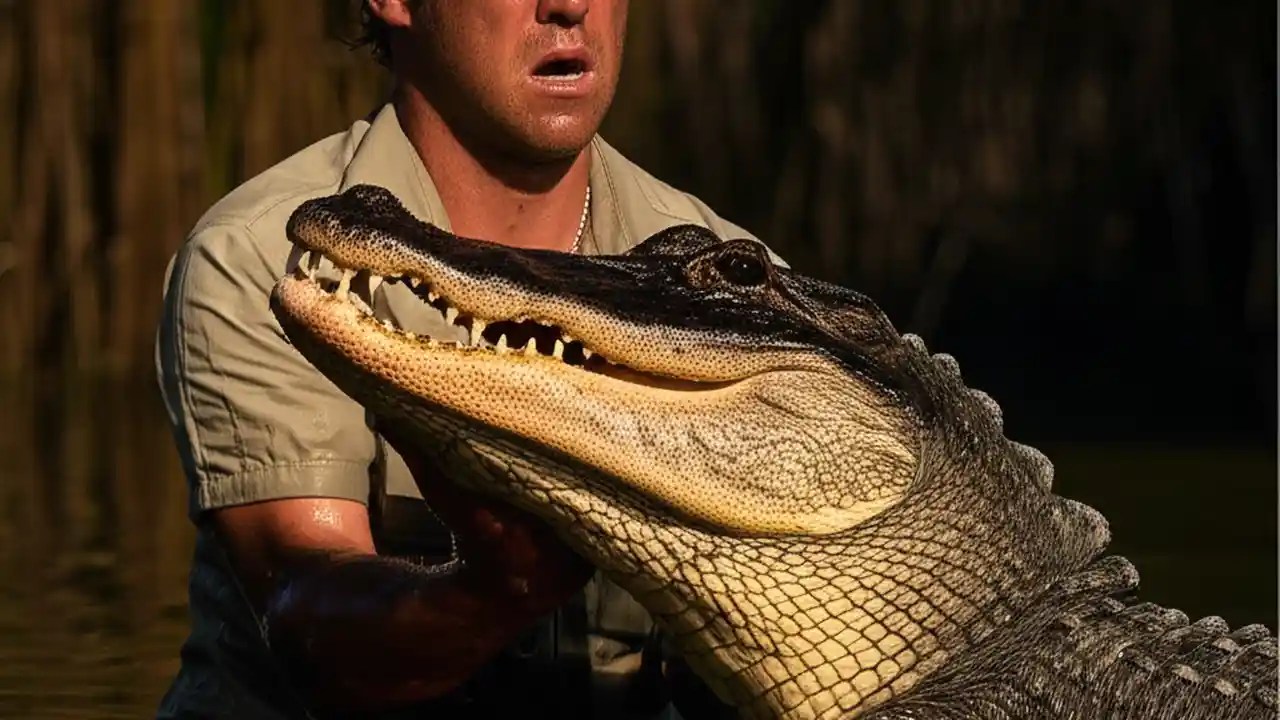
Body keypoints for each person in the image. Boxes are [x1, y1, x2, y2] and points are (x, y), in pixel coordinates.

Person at [154, 1, 784, 718]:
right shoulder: (271, 260)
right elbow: (311, 615)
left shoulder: (742, 293)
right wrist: (493, 589)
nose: (571, 5)